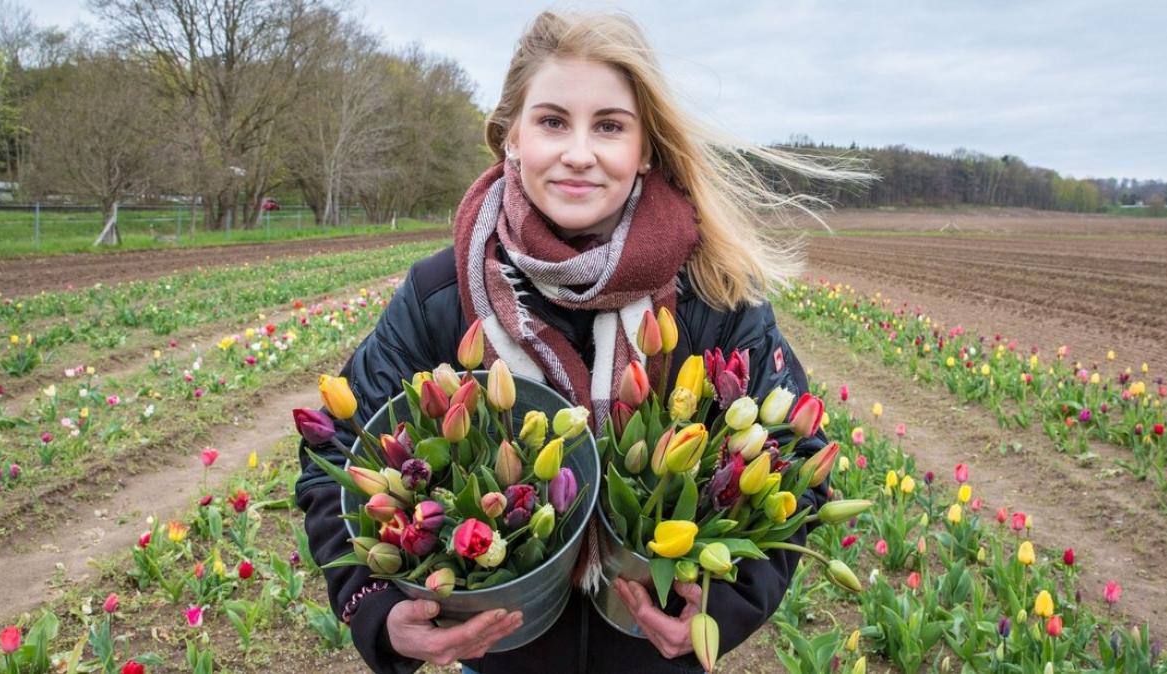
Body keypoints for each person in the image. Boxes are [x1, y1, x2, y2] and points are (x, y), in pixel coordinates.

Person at [297, 10, 864, 674]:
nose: (578, 152)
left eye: (610, 126)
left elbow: (798, 457)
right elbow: (334, 448)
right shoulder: (440, 295)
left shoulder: (713, 293)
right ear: (510, 137)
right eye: (552, 121)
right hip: (505, 653)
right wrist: (373, 608)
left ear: (646, 148)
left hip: (654, 658)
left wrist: (728, 607)